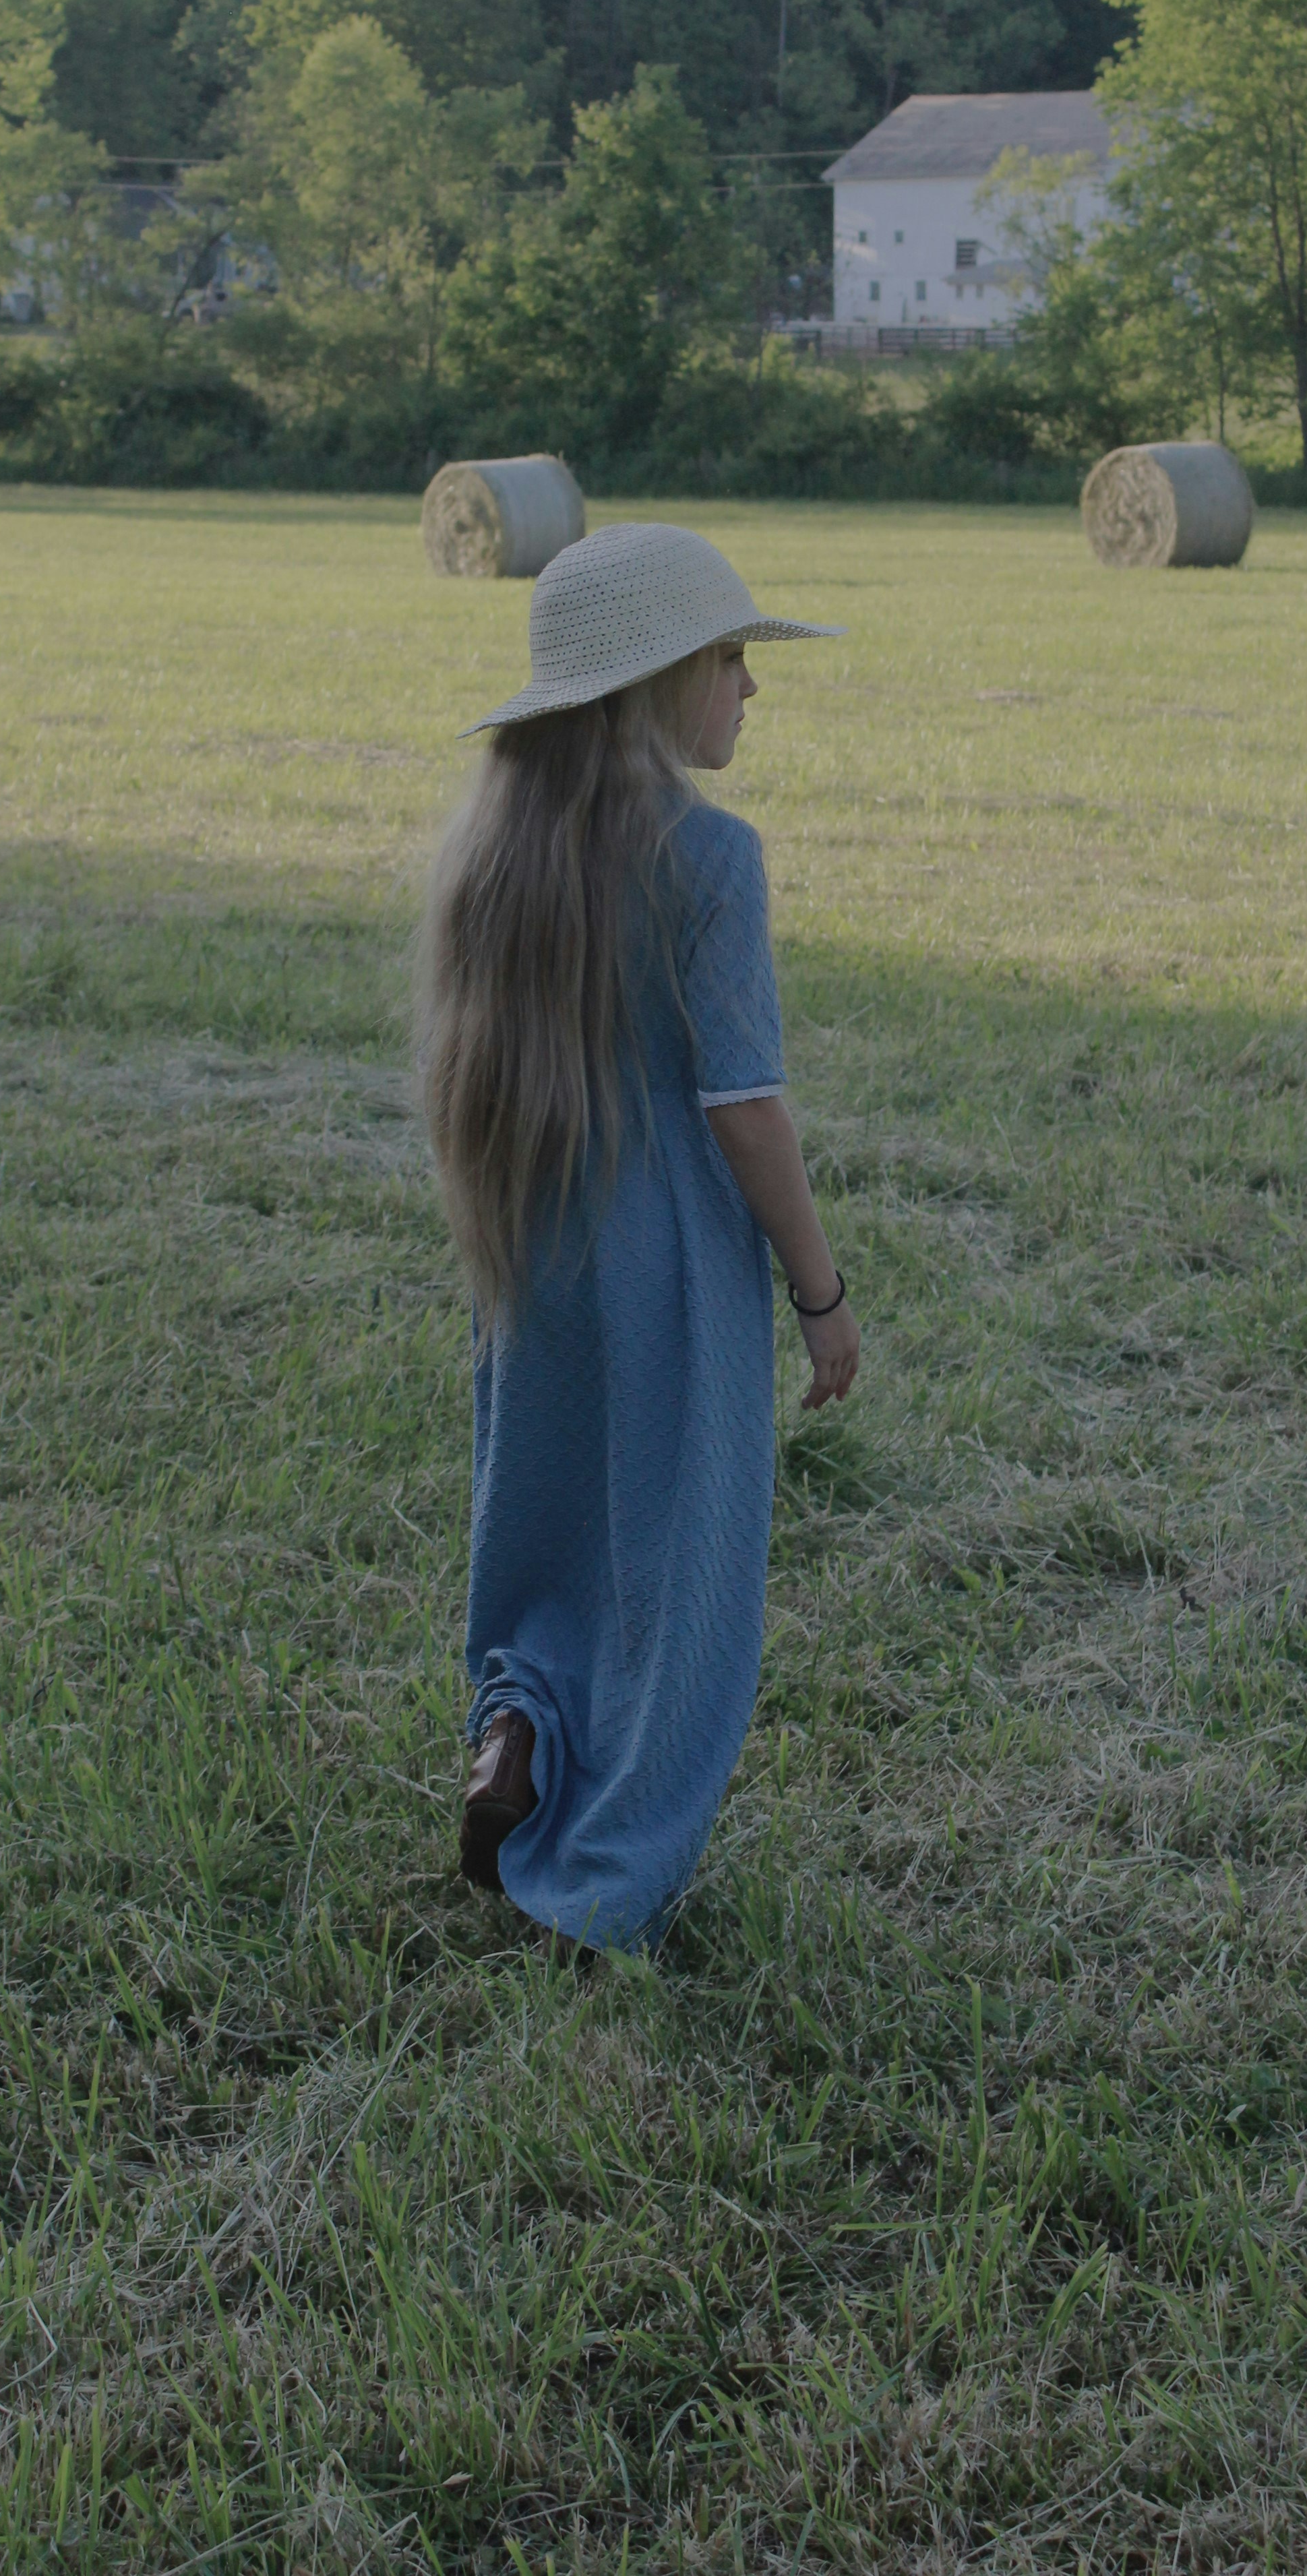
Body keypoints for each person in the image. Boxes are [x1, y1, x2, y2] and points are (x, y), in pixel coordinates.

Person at [420, 521, 863, 1953]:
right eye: (732, 658)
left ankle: (518, 1736)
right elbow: (743, 1108)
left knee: (542, 1523)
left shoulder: (503, 845)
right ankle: (606, 1882)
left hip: (533, 1242)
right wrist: (819, 1290)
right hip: (673, 1259)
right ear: (663, 681)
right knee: (681, 1573)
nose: (751, 687)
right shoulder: (713, 860)